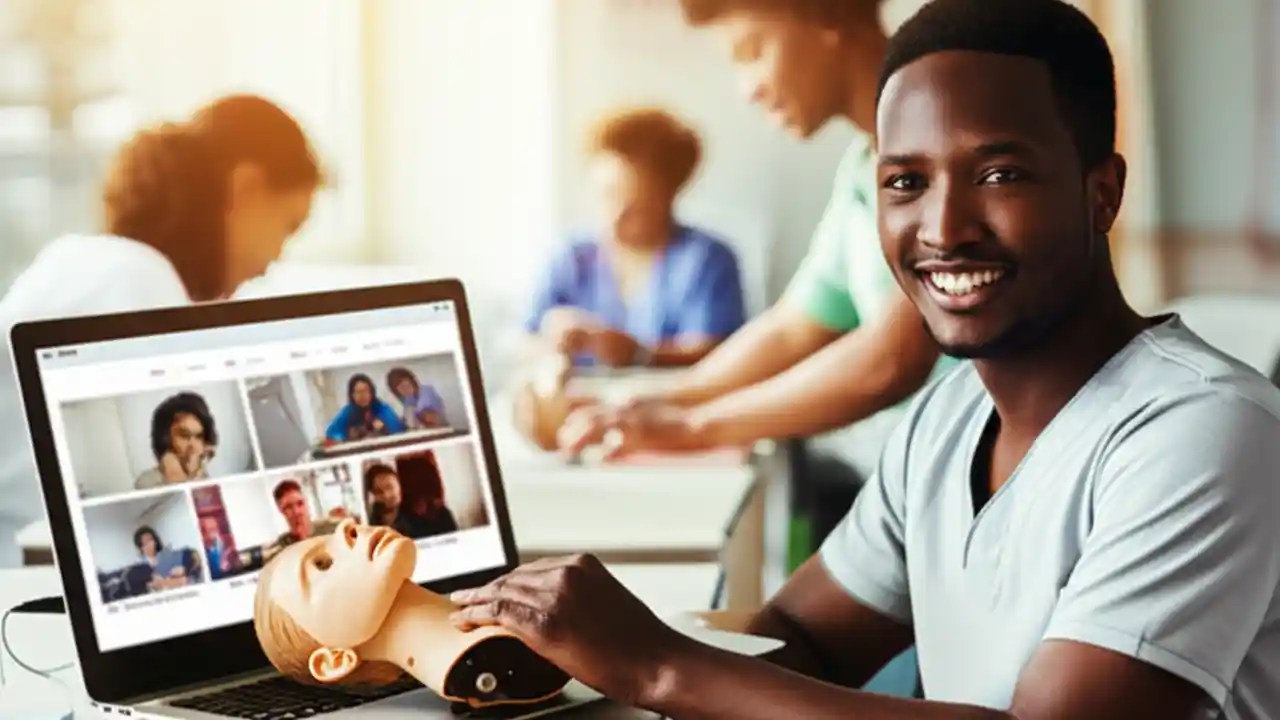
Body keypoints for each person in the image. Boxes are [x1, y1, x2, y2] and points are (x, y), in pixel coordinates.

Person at [448, 1, 1280, 718]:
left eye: (999, 173)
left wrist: (657, 664)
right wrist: (577, 645)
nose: (945, 227)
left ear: (1103, 191)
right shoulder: (945, 422)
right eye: (905, 183)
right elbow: (802, 639)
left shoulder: (1205, 433)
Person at [558, 0, 941, 472]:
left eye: (753, 50)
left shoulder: (939, 145)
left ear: (827, 17)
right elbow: (792, 328)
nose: (748, 90)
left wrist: (693, 425)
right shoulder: (864, 168)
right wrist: (655, 400)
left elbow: (890, 362)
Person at [0, 94, 322, 566]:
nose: (275, 259)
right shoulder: (136, 284)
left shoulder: (85, 262)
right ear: (247, 189)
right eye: (287, 226)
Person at [525, 107, 746, 367]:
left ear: (670, 195)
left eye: (636, 207)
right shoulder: (571, 255)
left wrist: (640, 354)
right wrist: (550, 342)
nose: (615, 219)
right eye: (607, 196)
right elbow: (524, 340)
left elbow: (719, 356)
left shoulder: (706, 261)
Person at [135, 392, 218, 489]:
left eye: (199, 437)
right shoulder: (146, 481)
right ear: (165, 438)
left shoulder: (203, 475)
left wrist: (196, 478)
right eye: (184, 436)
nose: (193, 446)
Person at [363, 463, 458, 540]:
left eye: (390, 487)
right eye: (379, 491)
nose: (386, 495)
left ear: (399, 485)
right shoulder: (372, 522)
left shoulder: (420, 514)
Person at [264, 479, 343, 561]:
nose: (296, 512)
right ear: (281, 511)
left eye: (300, 503)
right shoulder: (281, 549)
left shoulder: (333, 529)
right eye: (288, 507)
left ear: (306, 502)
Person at [325, 374, 405, 443]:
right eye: (358, 392)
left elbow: (398, 430)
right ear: (352, 395)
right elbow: (332, 434)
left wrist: (384, 427)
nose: (362, 395)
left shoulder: (382, 408)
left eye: (365, 391)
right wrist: (348, 435)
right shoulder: (347, 412)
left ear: (371, 392)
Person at [134, 525, 192, 591]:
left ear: (155, 541)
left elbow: (184, 577)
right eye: (144, 543)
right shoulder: (139, 565)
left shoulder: (167, 554)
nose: (149, 544)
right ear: (140, 547)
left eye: (150, 540)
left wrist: (183, 570)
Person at [200, 514, 241, 581]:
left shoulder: (225, 544)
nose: (216, 532)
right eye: (211, 529)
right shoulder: (203, 551)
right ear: (203, 534)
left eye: (216, 528)